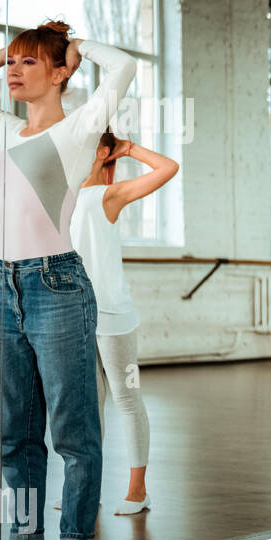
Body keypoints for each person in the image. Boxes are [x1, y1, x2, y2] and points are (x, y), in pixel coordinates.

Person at [0, 20, 137, 540]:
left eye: (28, 63)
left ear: (59, 74)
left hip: (56, 284)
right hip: (3, 286)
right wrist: (1, 51)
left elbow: (123, 68)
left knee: (72, 426)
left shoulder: (79, 129)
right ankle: (24, 535)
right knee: (15, 427)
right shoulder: (3, 128)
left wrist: (79, 48)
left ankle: (75, 539)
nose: (12, 71)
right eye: (11, 62)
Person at [67, 129, 178, 515]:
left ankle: (137, 490)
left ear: (100, 152)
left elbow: (168, 167)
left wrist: (129, 150)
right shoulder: (67, 198)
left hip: (113, 315)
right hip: (75, 315)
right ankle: (85, 492)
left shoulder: (107, 195)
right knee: (87, 406)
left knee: (126, 400)